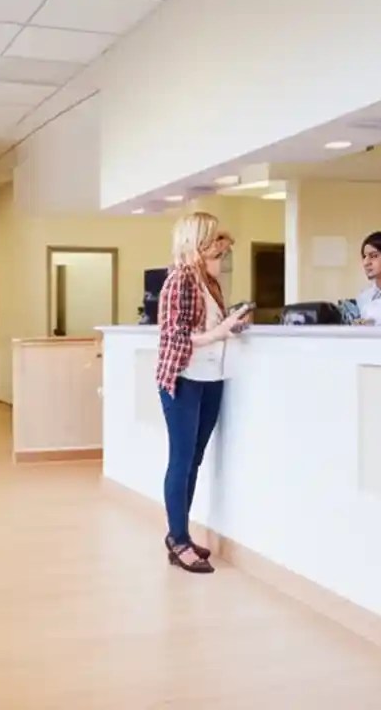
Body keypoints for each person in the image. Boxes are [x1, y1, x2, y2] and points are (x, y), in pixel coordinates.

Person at [154, 212, 250, 574]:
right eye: (214, 247)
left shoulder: (209, 282)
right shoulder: (179, 281)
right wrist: (219, 332)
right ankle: (177, 539)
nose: (220, 257)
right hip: (183, 377)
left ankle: (181, 534)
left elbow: (207, 328)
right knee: (181, 459)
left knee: (194, 459)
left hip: (211, 378)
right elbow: (175, 335)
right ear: (197, 244)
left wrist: (229, 326)